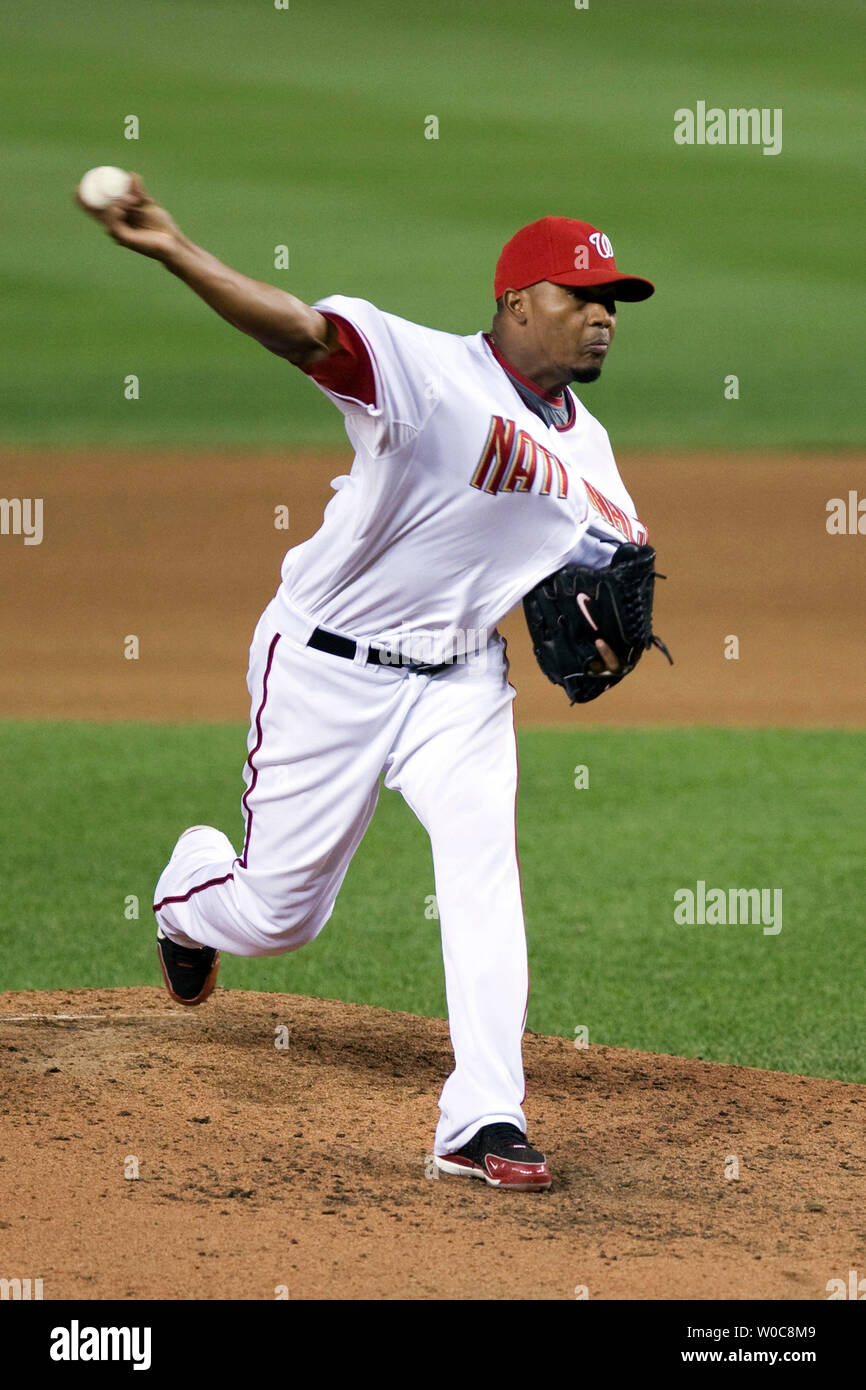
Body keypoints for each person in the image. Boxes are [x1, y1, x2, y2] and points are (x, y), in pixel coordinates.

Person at [78, 177, 654, 1191]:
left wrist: (609, 643)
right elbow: (302, 334)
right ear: (516, 302)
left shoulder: (594, 454)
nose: (602, 314)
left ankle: (481, 1116)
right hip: (325, 666)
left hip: (461, 684)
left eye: (613, 299)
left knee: (481, 868)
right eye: (581, 295)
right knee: (279, 916)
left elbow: (615, 581)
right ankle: (183, 895)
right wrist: (173, 247)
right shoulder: (424, 370)